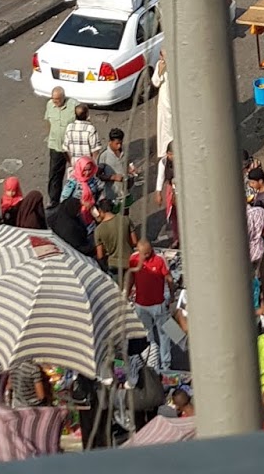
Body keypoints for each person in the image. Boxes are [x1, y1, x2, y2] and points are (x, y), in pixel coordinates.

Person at [127, 236, 176, 376]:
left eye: (149, 253)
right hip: (141, 305)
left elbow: (169, 279)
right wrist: (127, 293)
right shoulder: (133, 259)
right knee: (147, 335)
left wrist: (171, 295)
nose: (147, 256)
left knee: (164, 335)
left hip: (158, 304)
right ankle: (152, 364)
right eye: (144, 253)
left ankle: (166, 365)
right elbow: (131, 277)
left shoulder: (160, 259)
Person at [44, 86, 73, 203]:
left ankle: (73, 199)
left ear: (63, 97)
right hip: (56, 146)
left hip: (70, 147)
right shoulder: (50, 105)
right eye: (53, 99)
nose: (55, 102)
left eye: (57, 99)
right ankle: (54, 200)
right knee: (54, 174)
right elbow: (48, 122)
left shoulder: (73, 106)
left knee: (76, 172)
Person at [92, 200, 134, 276]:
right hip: (129, 261)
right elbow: (134, 241)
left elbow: (100, 255)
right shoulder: (125, 219)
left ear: (100, 211)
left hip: (113, 264)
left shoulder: (98, 230)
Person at [99, 128, 138, 210]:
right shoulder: (104, 156)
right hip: (112, 196)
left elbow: (127, 165)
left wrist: (130, 170)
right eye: (117, 143)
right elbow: (98, 175)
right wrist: (113, 177)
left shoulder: (124, 153)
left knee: (125, 216)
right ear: (110, 141)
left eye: (121, 143)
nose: (119, 146)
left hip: (125, 193)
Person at [63, 103, 101, 168]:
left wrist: (71, 163)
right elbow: (95, 150)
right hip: (87, 168)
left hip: (75, 167)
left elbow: (65, 149)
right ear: (87, 114)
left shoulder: (69, 127)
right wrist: (94, 165)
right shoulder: (90, 129)